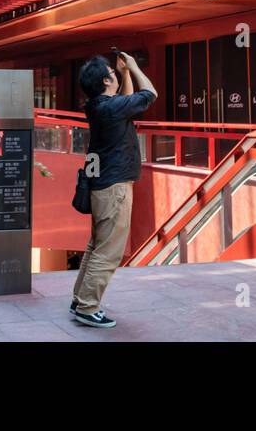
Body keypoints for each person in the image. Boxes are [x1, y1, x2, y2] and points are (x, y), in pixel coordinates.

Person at [70, 50, 156, 328]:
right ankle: (87, 307)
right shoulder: (110, 108)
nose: (114, 73)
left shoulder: (98, 106)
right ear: (106, 81)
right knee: (109, 252)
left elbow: (124, 100)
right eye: (111, 72)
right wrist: (133, 65)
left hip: (101, 187)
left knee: (96, 246)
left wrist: (125, 72)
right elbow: (150, 94)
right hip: (114, 188)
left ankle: (80, 300)